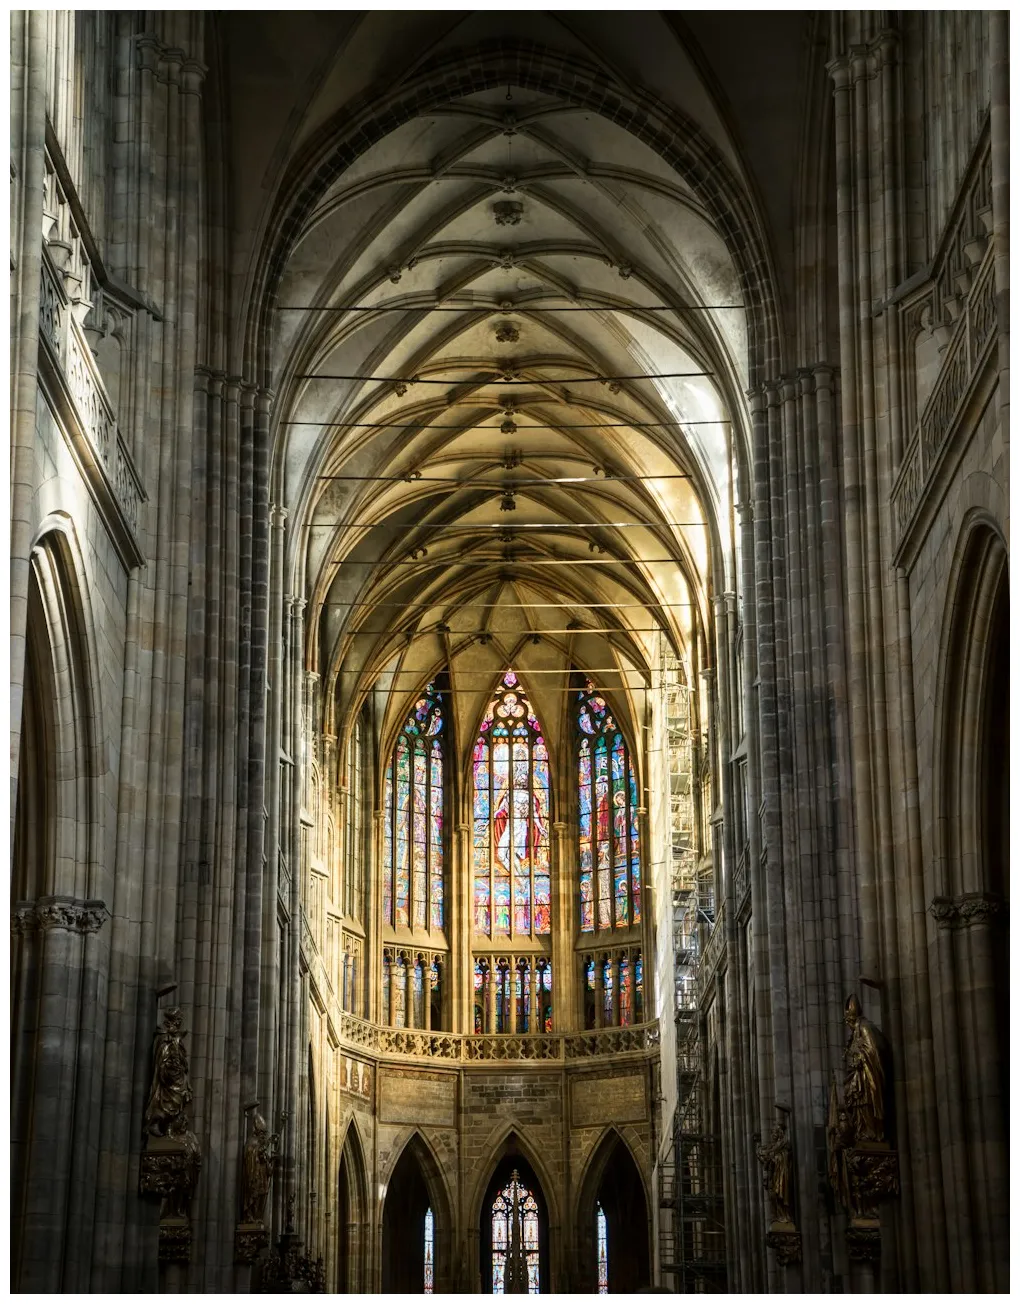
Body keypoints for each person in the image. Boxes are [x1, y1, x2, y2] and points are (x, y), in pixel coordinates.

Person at [843, 994, 886, 1144]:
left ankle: (871, 1133)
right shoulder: (856, 1031)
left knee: (865, 1102)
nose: (848, 1024)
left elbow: (872, 1050)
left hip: (866, 1077)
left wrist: (860, 1058)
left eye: (849, 1020)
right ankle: (863, 1132)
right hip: (858, 1078)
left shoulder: (865, 1027)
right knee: (858, 1105)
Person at [144, 1007, 193, 1138]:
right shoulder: (165, 1037)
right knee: (169, 1099)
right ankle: (156, 1122)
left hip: (177, 1076)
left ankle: (169, 1127)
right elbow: (163, 1059)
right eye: (178, 1019)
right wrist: (173, 1069)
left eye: (180, 1019)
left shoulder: (175, 1037)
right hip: (170, 1076)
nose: (179, 1022)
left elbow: (180, 1058)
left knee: (181, 1096)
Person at [242, 1110, 278, 1224]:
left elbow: (267, 1166)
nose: (263, 1136)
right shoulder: (252, 1142)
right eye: (262, 1133)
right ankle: (250, 1216)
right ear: (257, 1132)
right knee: (254, 1196)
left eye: (264, 1134)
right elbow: (252, 1154)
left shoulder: (260, 1144)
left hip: (262, 1179)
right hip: (254, 1177)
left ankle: (257, 1216)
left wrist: (271, 1160)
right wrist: (268, 1143)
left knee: (261, 1196)